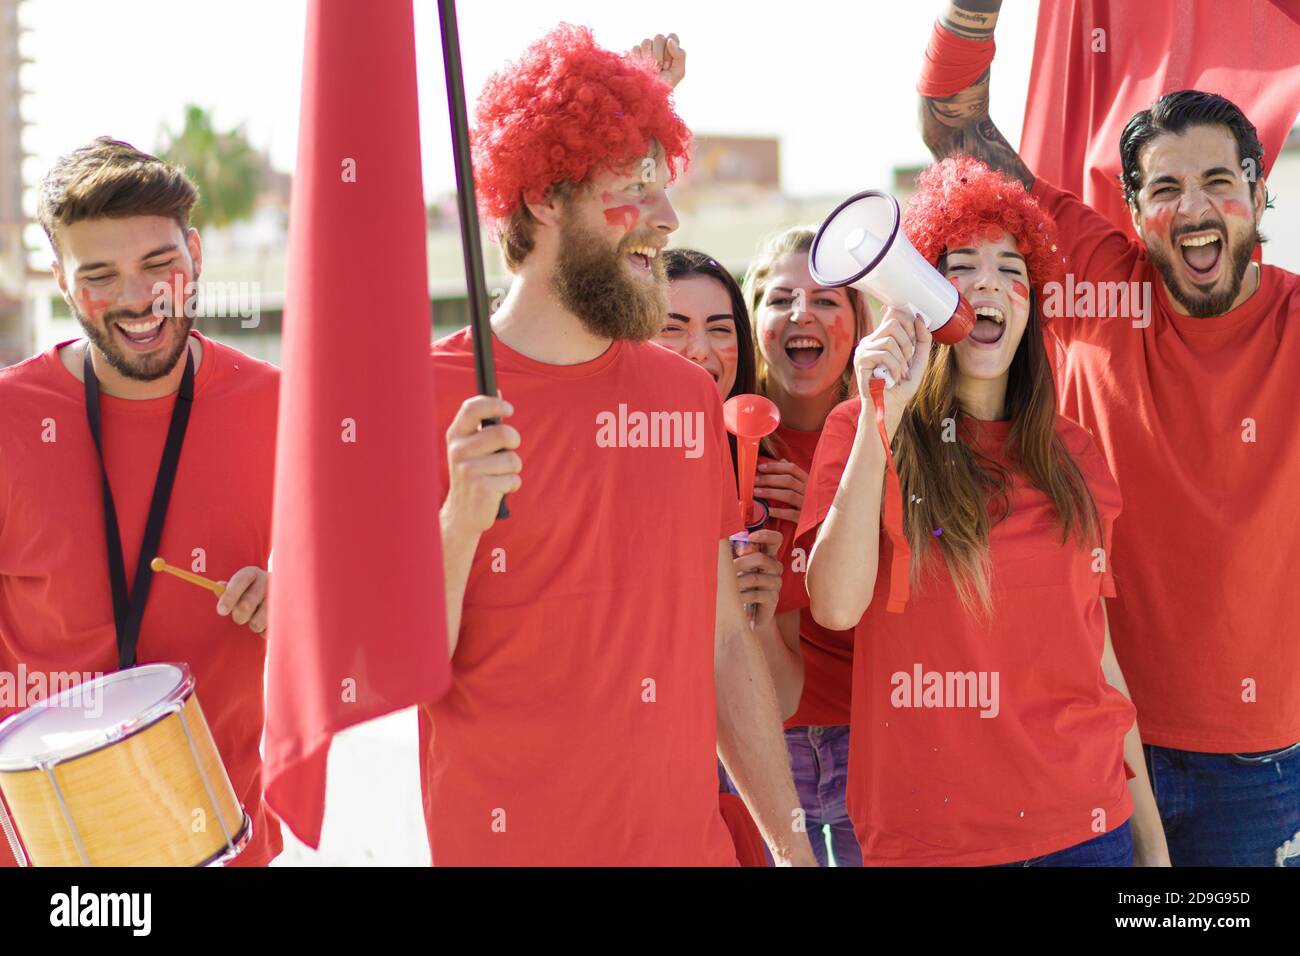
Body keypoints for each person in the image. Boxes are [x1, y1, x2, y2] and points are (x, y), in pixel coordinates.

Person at [420, 25, 816, 866]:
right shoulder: (425, 397)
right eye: (638, 187)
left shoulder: (685, 398)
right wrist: (460, 523)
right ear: (543, 198)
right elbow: (398, 667)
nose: (669, 221)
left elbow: (720, 645)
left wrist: (790, 848)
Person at [920, 0, 1300, 866]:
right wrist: (974, 11)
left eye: (1218, 182)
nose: (1193, 208)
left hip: (1261, 763)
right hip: (1090, 744)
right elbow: (958, 136)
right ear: (1130, 210)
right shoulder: (1094, 277)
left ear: (1258, 193)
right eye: (1164, 188)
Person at [801, 156, 1169, 866]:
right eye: (961, 264)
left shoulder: (1075, 455)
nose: (987, 284)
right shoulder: (860, 431)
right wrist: (885, 414)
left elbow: (1098, 656)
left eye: (1012, 269)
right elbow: (836, 607)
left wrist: (1150, 842)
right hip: (930, 842)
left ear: (1031, 305)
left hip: (1087, 832)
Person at [0, 137, 280, 866]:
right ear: (62, 281)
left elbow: (363, 617)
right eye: (100, 274)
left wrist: (298, 604)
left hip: (225, 837)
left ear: (194, 255)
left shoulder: (283, 409)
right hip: (43, 849)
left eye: (159, 265)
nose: (136, 298)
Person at [739, 227, 872, 865]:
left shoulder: (887, 433)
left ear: (856, 321)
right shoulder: (728, 438)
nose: (803, 314)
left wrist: (840, 512)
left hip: (870, 733)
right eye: (782, 298)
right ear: (755, 317)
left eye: (826, 300)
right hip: (758, 736)